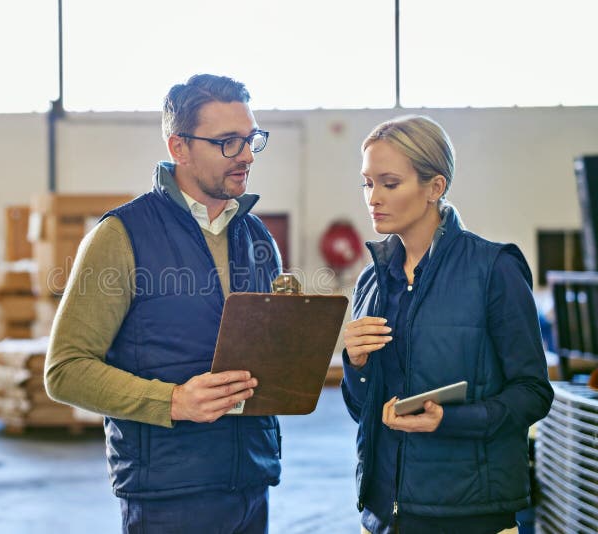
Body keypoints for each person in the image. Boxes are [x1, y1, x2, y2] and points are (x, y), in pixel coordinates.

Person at [45, 74, 282, 533]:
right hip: (168, 497)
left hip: (251, 483)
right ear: (179, 148)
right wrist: (172, 400)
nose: (248, 155)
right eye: (228, 143)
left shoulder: (256, 239)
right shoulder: (121, 237)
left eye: (251, 139)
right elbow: (65, 370)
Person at [340, 115, 554, 534]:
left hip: (470, 516)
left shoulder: (494, 269)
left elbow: (533, 394)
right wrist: (357, 365)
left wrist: (449, 420)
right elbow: (360, 412)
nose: (373, 197)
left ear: (434, 187)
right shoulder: (372, 280)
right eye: (367, 183)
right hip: (384, 517)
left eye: (389, 182)